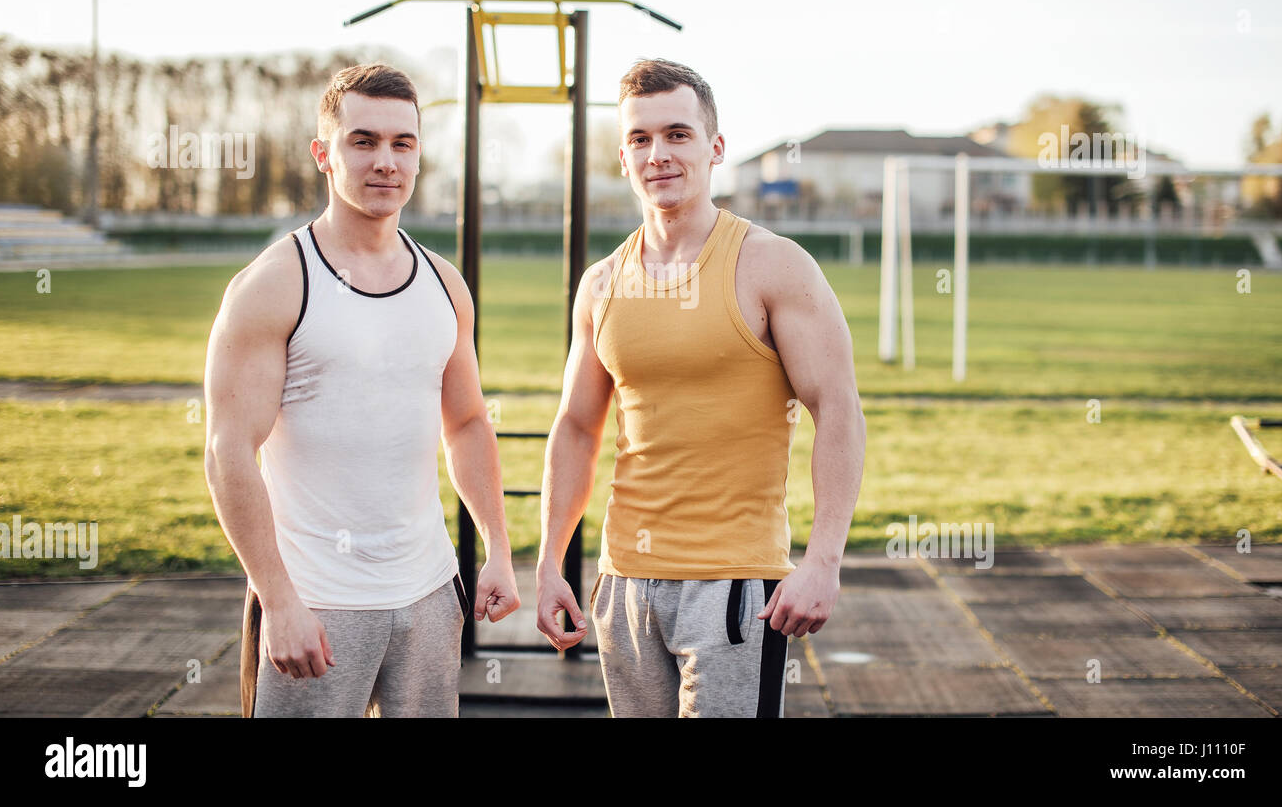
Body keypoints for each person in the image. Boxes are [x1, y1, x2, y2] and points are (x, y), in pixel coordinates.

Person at [535, 58, 866, 717]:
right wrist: (549, 561)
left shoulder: (773, 265)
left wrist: (823, 560)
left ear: (715, 149)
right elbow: (576, 427)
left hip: (734, 583)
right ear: (623, 156)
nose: (658, 154)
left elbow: (838, 409)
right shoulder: (601, 284)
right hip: (624, 583)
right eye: (639, 139)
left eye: (677, 134)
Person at [204, 63, 519, 718]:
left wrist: (496, 551)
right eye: (363, 141)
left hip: (430, 593)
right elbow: (228, 449)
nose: (385, 162)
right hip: (315, 601)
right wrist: (279, 600)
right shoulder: (274, 284)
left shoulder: (443, 285)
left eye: (402, 144)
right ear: (324, 153)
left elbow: (465, 424)